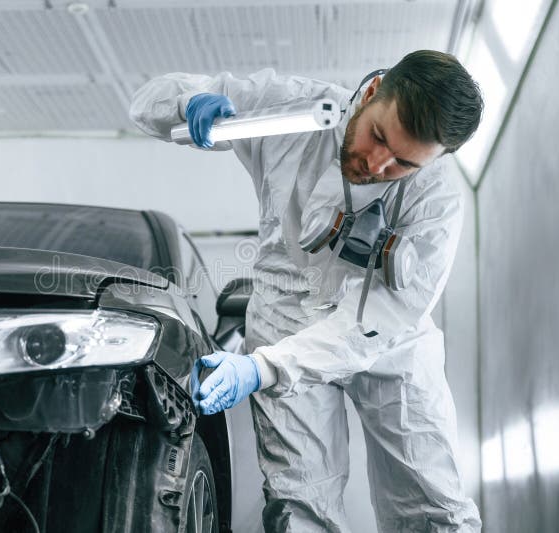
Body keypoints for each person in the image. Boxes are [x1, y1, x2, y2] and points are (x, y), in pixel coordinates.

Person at [130, 50, 483, 533]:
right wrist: (188, 103)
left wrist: (264, 369)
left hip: (388, 342)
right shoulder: (294, 110)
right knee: (300, 508)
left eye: (402, 162)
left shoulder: (436, 201)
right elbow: (147, 101)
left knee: (432, 504)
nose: (377, 164)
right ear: (373, 92)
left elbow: (376, 323)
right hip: (284, 315)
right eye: (378, 136)